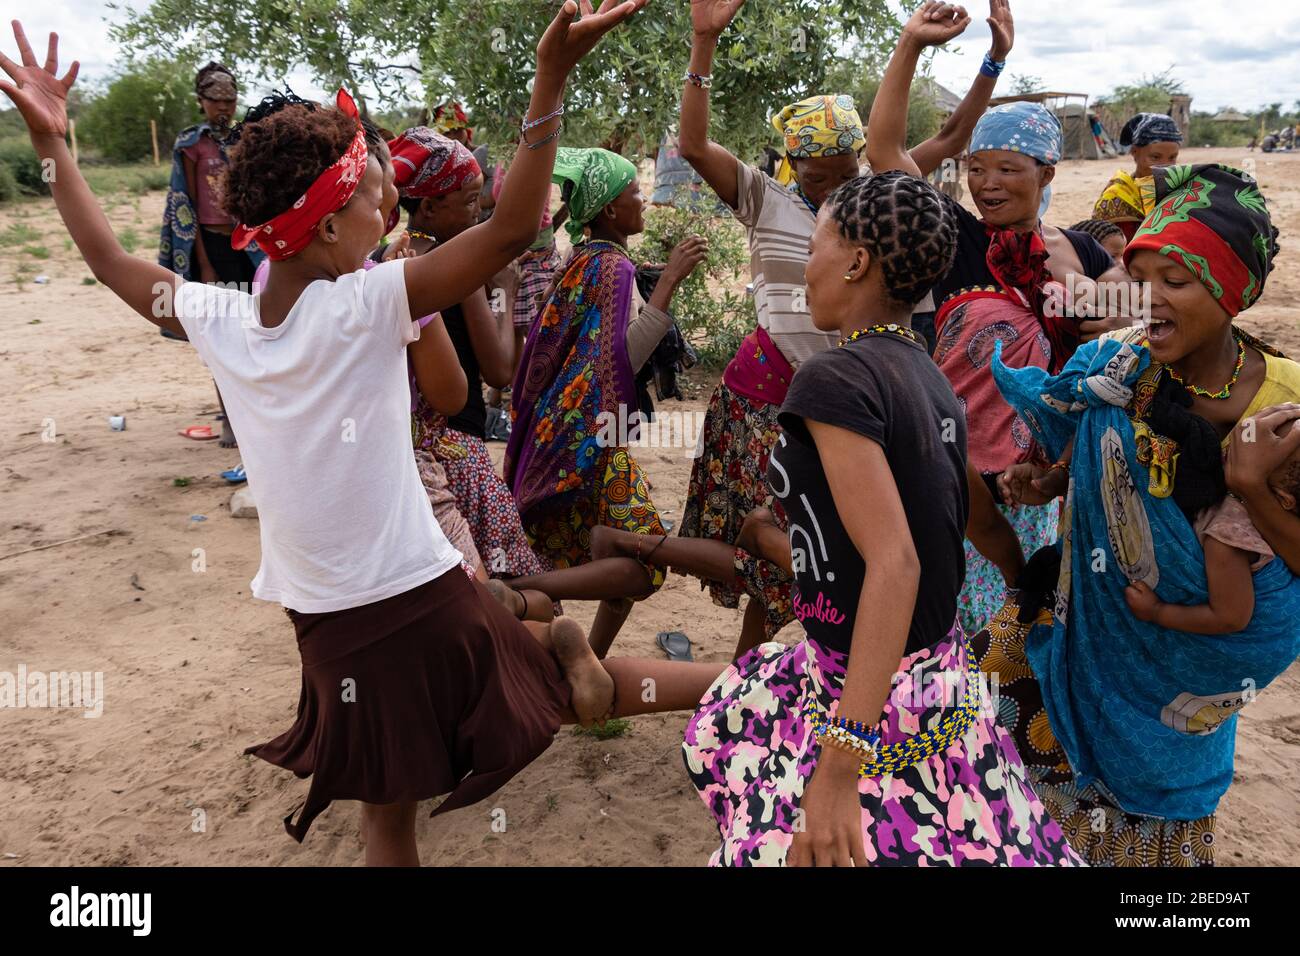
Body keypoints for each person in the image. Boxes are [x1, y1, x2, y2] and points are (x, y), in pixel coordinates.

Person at [0, 4, 693, 867]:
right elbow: (511, 229)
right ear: (329, 228)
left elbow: (110, 263)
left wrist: (56, 148)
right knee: (479, 743)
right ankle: (642, 657)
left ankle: (697, 674)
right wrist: (549, 78)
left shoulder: (223, 315)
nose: (389, 203)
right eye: (375, 195)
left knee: (398, 807)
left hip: (340, 613)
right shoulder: (370, 301)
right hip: (390, 597)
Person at [682, 170, 1082, 866]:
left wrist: (840, 764)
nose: (806, 266)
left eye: (817, 245)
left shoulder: (833, 380)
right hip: (936, 677)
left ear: (857, 261)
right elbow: (979, 521)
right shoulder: (928, 377)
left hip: (872, 698)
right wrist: (1026, 586)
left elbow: (897, 561)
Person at [651, 0, 1015, 659]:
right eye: (820, 176)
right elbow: (695, 145)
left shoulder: (875, 201)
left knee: (828, 533)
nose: (835, 188)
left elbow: (956, 132)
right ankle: (756, 666)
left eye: (846, 172)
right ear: (793, 164)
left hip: (853, 397)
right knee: (777, 537)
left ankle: (780, 662)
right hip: (769, 397)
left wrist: (992, 61)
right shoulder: (763, 196)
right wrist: (704, 43)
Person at [988, 162, 1300, 866]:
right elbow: (1083, 464)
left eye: (1178, 281)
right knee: (1028, 800)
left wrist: (1250, 486)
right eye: (1141, 278)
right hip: (1081, 638)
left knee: (1147, 842)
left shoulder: (1283, 404)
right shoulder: (1115, 366)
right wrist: (1045, 481)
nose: (1150, 300)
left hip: (1180, 683)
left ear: (1231, 291)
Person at [865, 1, 1132, 635]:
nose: (987, 184)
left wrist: (1105, 309)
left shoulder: (1086, 251)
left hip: (1043, 485)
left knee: (1021, 641)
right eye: (975, 169)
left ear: (1047, 173)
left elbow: (1134, 315)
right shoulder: (956, 238)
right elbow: (885, 151)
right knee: (946, 636)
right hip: (951, 479)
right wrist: (910, 45)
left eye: (1007, 170)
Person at [502, 146, 707, 656]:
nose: (644, 200)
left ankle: (584, 661)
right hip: (589, 445)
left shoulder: (588, 262)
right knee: (643, 564)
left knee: (582, 555)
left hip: (565, 437)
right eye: (636, 192)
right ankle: (528, 598)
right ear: (612, 210)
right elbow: (620, 359)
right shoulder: (610, 269)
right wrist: (671, 283)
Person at [386, 126, 555, 596]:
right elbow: (500, 368)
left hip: (406, 448)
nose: (478, 213)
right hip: (457, 447)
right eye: (469, 202)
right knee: (513, 583)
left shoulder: (390, 256)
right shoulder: (454, 265)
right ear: (429, 207)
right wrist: (502, 288)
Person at [159, 62, 265, 449]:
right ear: (201, 101)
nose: (224, 108)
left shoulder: (246, 139)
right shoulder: (191, 144)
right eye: (215, 101)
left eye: (230, 100)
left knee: (258, 326)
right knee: (223, 331)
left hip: (249, 249)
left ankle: (256, 411)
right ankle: (230, 419)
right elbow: (184, 205)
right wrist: (203, 265)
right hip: (212, 246)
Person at [1092, 112, 1182, 240]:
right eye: (1155, 157)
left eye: (1172, 158)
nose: (1165, 166)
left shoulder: (1181, 194)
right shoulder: (1116, 197)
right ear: (1134, 152)